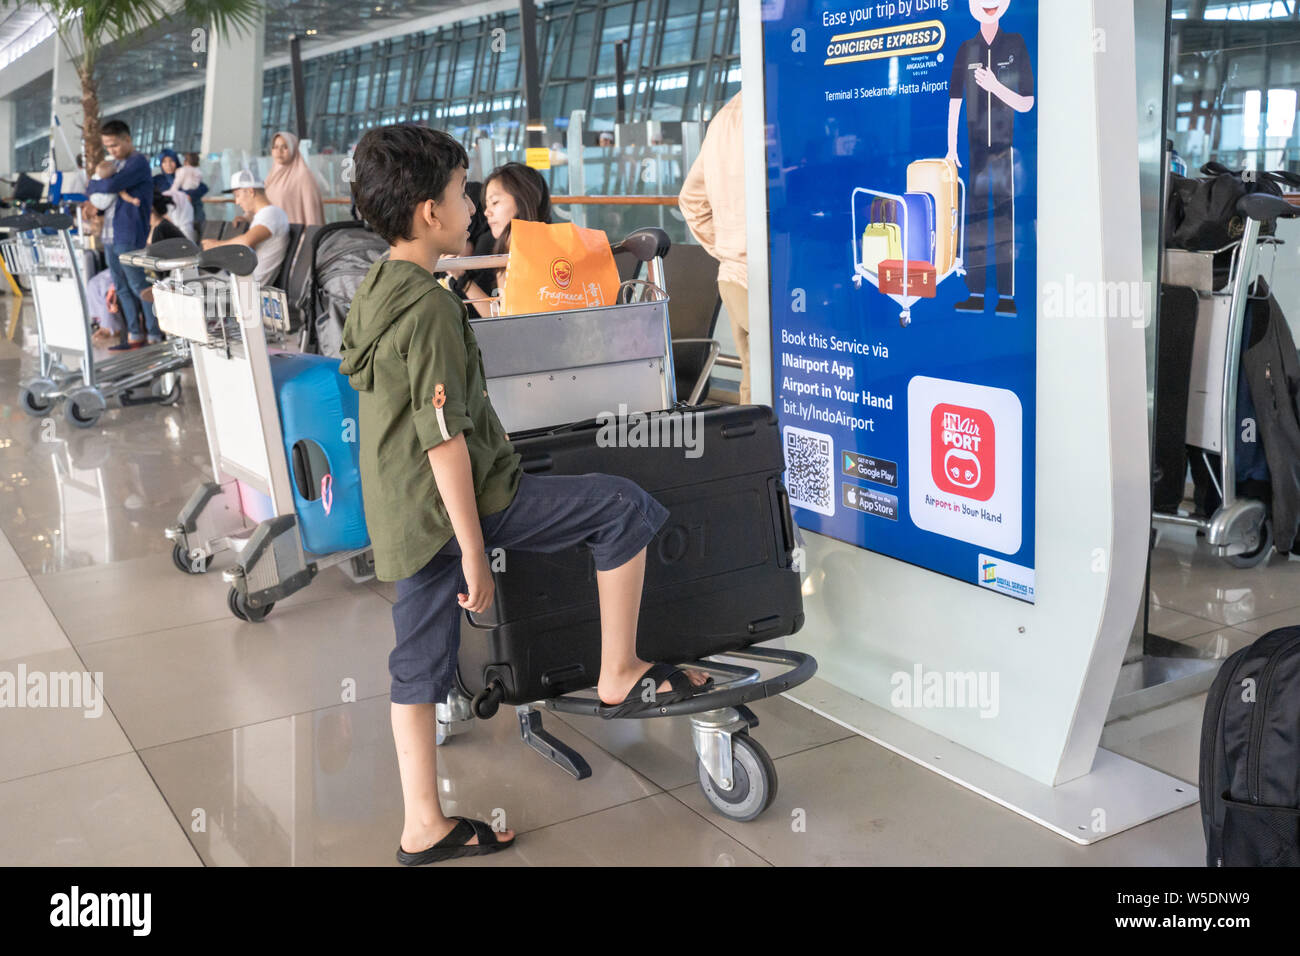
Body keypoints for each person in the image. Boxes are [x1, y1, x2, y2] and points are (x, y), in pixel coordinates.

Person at [337, 123, 708, 865]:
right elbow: (444, 440)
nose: (471, 205)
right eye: (458, 193)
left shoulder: (378, 289)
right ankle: (618, 673)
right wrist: (476, 550)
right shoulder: (433, 309)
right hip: (462, 503)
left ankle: (422, 826)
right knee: (620, 506)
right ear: (426, 215)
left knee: (415, 663)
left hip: (404, 515)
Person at [947, 0, 1035, 317]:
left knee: (1005, 225)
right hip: (974, 155)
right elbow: (955, 101)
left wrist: (995, 87)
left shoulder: (1015, 44)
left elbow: (1026, 103)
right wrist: (950, 147)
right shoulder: (966, 49)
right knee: (974, 225)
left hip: (1007, 153)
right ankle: (974, 293)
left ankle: (1007, 297)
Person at [679, 91, 749, 403]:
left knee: (757, 382)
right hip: (778, 280)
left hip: (736, 277)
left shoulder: (725, 117)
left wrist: (729, 251)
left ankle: (761, 451)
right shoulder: (780, 109)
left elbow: (691, 201)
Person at [87, 119, 158, 349]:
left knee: (140, 286)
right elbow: (91, 187)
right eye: (107, 147)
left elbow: (103, 187)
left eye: (115, 145)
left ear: (128, 139)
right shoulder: (116, 165)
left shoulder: (137, 163)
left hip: (129, 233)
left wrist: (103, 185)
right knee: (121, 287)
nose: (111, 151)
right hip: (110, 234)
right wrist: (101, 185)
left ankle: (154, 335)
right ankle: (134, 336)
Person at [449, 162, 552, 317]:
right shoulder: (502, 251)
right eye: (486, 205)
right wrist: (462, 278)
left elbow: (507, 322)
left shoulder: (549, 254)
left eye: (495, 202)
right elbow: (502, 317)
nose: (486, 213)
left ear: (524, 200)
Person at [201, 170, 290, 288]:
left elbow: (246, 242)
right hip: (240, 280)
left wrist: (216, 245)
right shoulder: (267, 214)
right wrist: (246, 217)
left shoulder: (271, 213)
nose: (237, 202)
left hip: (248, 287)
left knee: (179, 284)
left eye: (237, 195)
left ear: (250, 191)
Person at [264, 130, 326, 225]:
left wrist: (310, 237)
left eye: (285, 147)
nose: (279, 151)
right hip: (273, 233)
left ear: (294, 149)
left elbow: (311, 213)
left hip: (296, 236)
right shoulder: (271, 176)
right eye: (275, 147)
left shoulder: (303, 175)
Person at [180, 152, 209, 231]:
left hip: (196, 212)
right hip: (185, 213)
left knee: (199, 229)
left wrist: (190, 195)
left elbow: (204, 188)